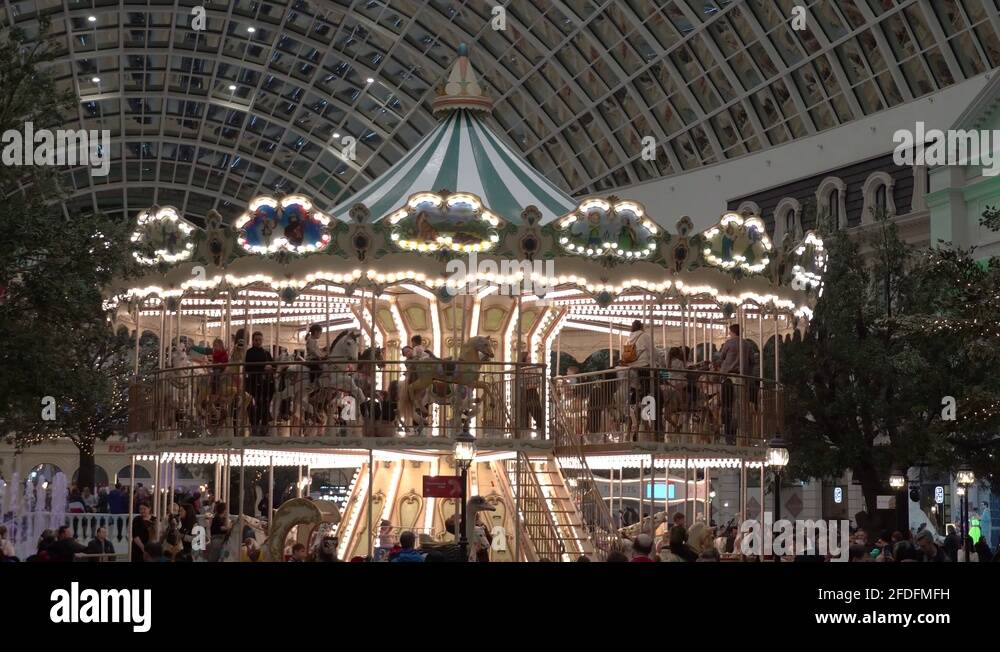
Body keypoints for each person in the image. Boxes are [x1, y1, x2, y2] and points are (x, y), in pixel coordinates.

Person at [717, 323, 756, 443]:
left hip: (729, 377)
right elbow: (752, 361)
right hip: (741, 377)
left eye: (730, 332)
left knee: (726, 405)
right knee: (740, 407)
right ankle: (741, 433)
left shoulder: (729, 343)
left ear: (732, 332)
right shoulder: (747, 344)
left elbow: (722, 357)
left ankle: (727, 433)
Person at [244, 331, 275, 436]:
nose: (258, 342)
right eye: (256, 340)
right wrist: (263, 368)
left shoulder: (266, 353)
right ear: (253, 340)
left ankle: (264, 424)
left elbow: (273, 364)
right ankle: (255, 424)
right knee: (255, 405)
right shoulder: (249, 353)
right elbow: (248, 366)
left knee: (265, 404)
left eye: (260, 340)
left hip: (266, 383)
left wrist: (271, 368)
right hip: (254, 382)